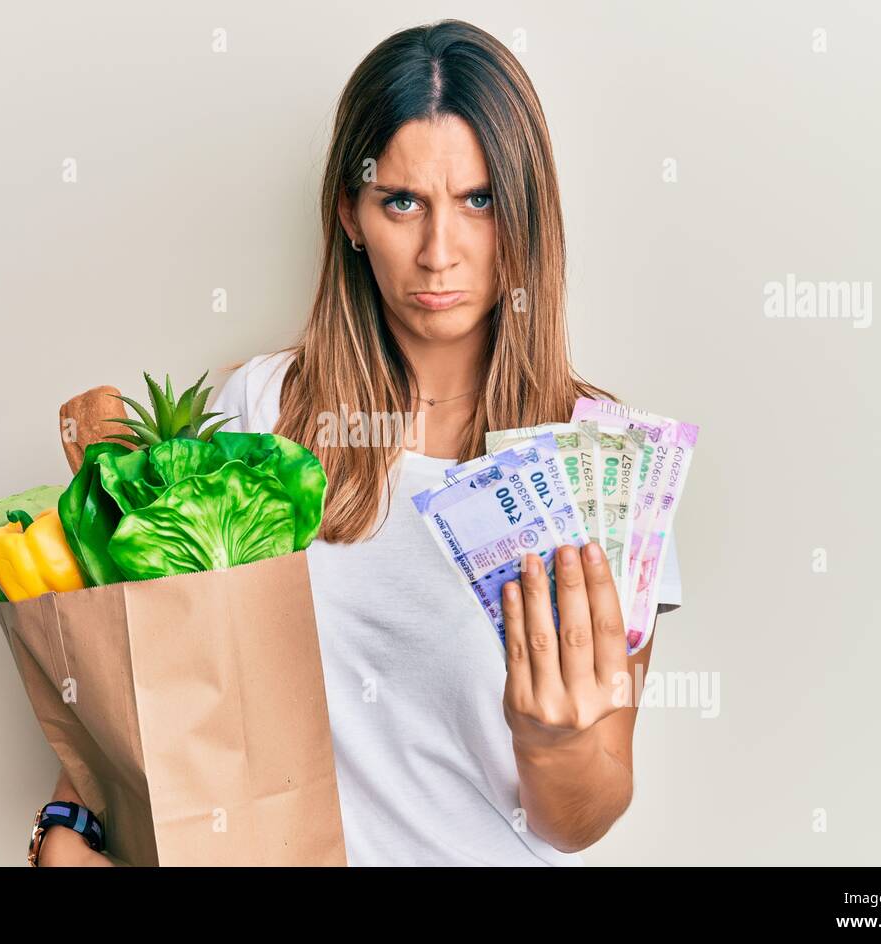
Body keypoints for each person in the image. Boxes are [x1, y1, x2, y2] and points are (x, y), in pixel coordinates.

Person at [39, 17, 682, 867]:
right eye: (402, 202)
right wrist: (69, 828)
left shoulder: (601, 466)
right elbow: (160, 685)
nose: (438, 252)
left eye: (479, 200)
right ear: (351, 213)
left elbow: (579, 818)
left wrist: (551, 744)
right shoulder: (261, 409)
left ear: (525, 213)